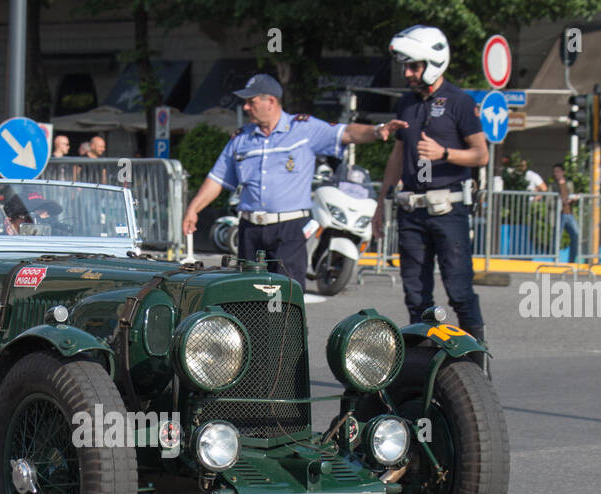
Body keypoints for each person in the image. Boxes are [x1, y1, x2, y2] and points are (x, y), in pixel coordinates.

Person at [182, 73, 403, 287]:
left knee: (286, 297)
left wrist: (377, 130)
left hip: (288, 229)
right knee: (247, 296)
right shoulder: (241, 139)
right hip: (250, 230)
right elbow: (217, 179)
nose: (246, 107)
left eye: (251, 101)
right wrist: (194, 208)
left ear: (270, 101)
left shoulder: (304, 129)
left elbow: (346, 133)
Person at [377, 25, 489, 342]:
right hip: (411, 210)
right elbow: (398, 154)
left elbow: (481, 155)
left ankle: (476, 364)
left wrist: (445, 153)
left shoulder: (460, 102)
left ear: (433, 63)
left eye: (414, 66)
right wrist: (381, 202)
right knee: (416, 297)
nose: (408, 73)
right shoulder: (406, 104)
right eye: (405, 66)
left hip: (448, 209)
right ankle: (423, 365)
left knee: (459, 291)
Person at [552, 163, 580, 263]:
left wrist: (574, 198)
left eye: (558, 171)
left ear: (563, 172)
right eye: (555, 172)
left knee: (576, 235)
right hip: (560, 213)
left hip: (569, 213)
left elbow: (572, 194)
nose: (556, 174)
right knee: (557, 236)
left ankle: (571, 260)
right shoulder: (553, 185)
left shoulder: (569, 183)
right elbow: (550, 200)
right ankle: (556, 259)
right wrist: (560, 201)